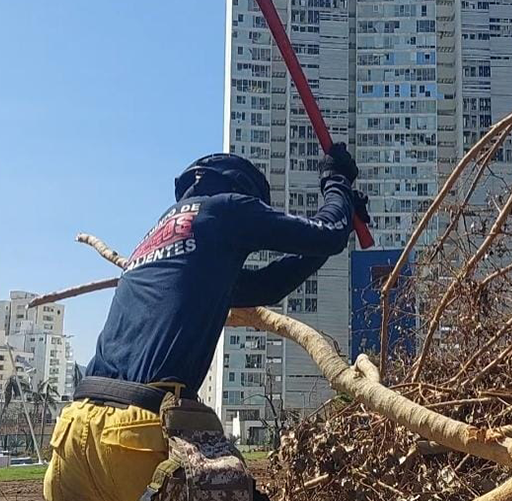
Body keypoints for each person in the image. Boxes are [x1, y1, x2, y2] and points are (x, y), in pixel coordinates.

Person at [43, 144, 369, 501]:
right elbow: (326, 232)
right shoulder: (226, 209)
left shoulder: (160, 239)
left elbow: (267, 285)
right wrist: (336, 182)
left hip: (72, 435)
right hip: (135, 438)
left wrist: (341, 220)